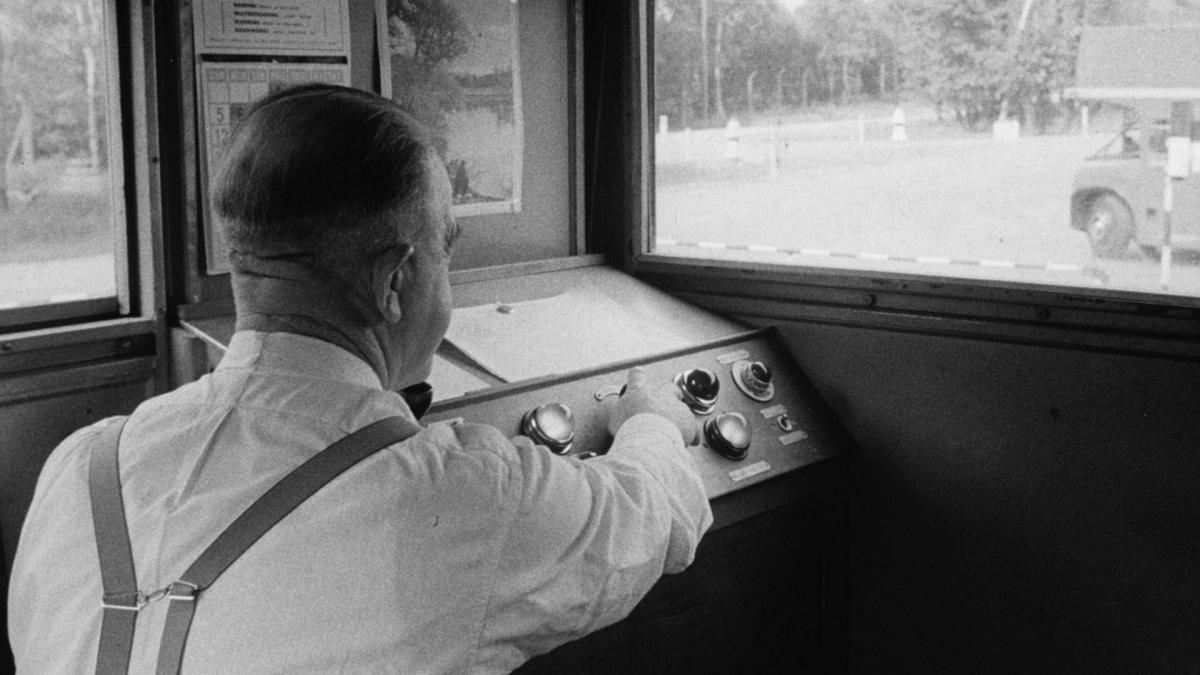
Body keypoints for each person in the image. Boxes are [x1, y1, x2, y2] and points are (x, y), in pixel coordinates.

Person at [7, 84, 712, 673]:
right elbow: (652, 516)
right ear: (394, 280)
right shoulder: (459, 492)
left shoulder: (79, 465)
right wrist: (650, 420)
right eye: (444, 254)